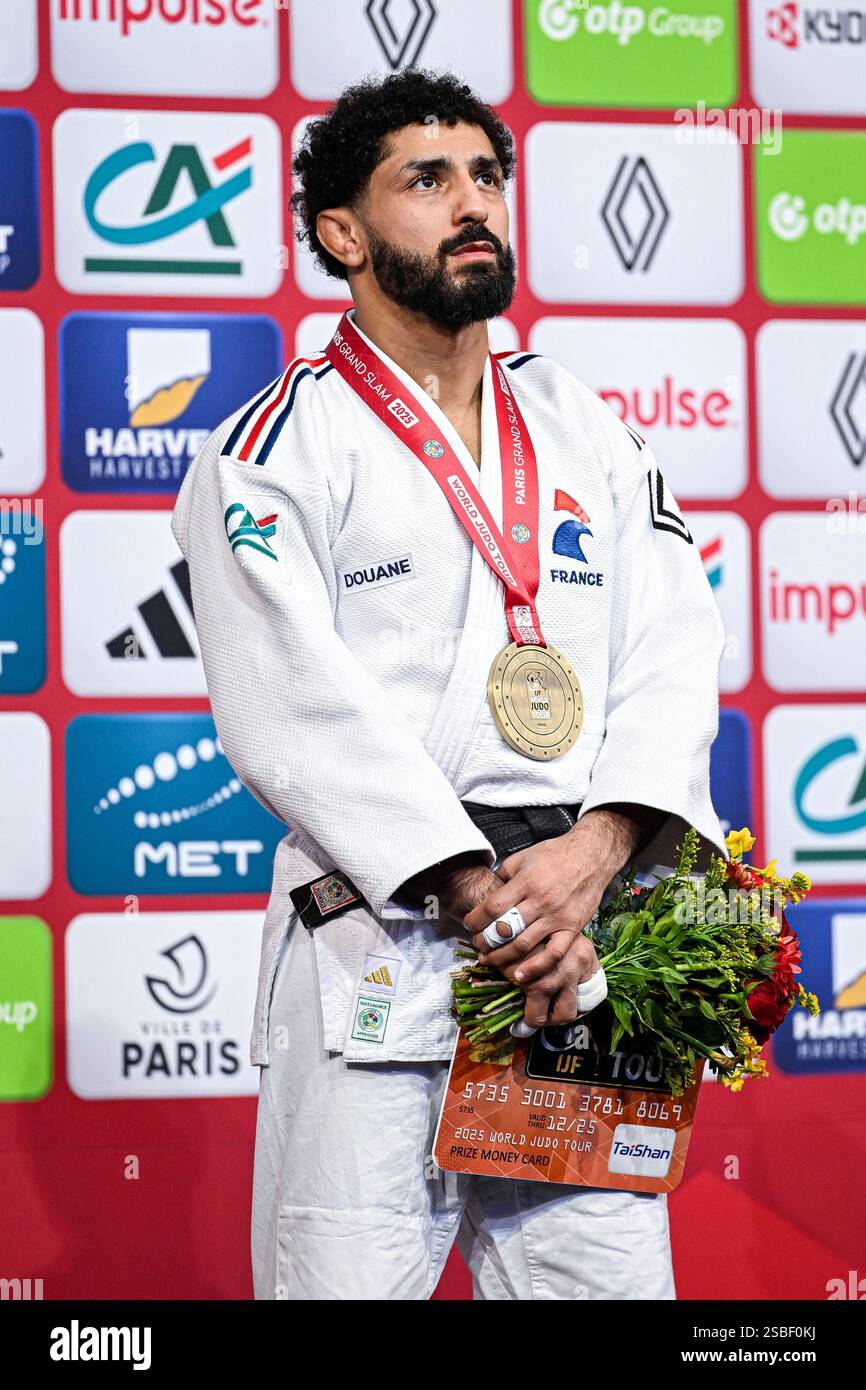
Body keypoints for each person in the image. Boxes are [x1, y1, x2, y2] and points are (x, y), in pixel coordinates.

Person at [169, 68, 728, 1301]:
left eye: (486, 175)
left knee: (610, 1289)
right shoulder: (270, 449)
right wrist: (477, 888)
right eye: (425, 180)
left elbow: (677, 645)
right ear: (342, 234)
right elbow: (289, 703)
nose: (471, 202)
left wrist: (596, 849)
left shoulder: (590, 428)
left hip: (578, 945)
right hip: (387, 942)